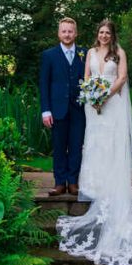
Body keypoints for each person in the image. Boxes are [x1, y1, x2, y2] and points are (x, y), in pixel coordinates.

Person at [56, 19, 132, 265]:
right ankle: (94, 182)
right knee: (94, 143)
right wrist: (92, 96)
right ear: (97, 34)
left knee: (112, 144)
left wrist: (104, 95)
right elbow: (86, 77)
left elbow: (122, 78)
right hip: (93, 106)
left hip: (112, 104)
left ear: (112, 35)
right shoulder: (90, 52)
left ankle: (113, 181)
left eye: (107, 32)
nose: (104, 35)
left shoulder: (119, 52)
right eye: (101, 32)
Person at [39, 17, 86, 197]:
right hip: (57, 109)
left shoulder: (85, 53)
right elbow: (44, 84)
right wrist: (46, 110)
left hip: (79, 109)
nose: (67, 34)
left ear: (76, 33)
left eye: (70, 31)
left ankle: (73, 182)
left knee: (76, 145)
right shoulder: (49, 55)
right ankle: (59, 183)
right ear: (59, 33)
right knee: (59, 147)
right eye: (64, 31)